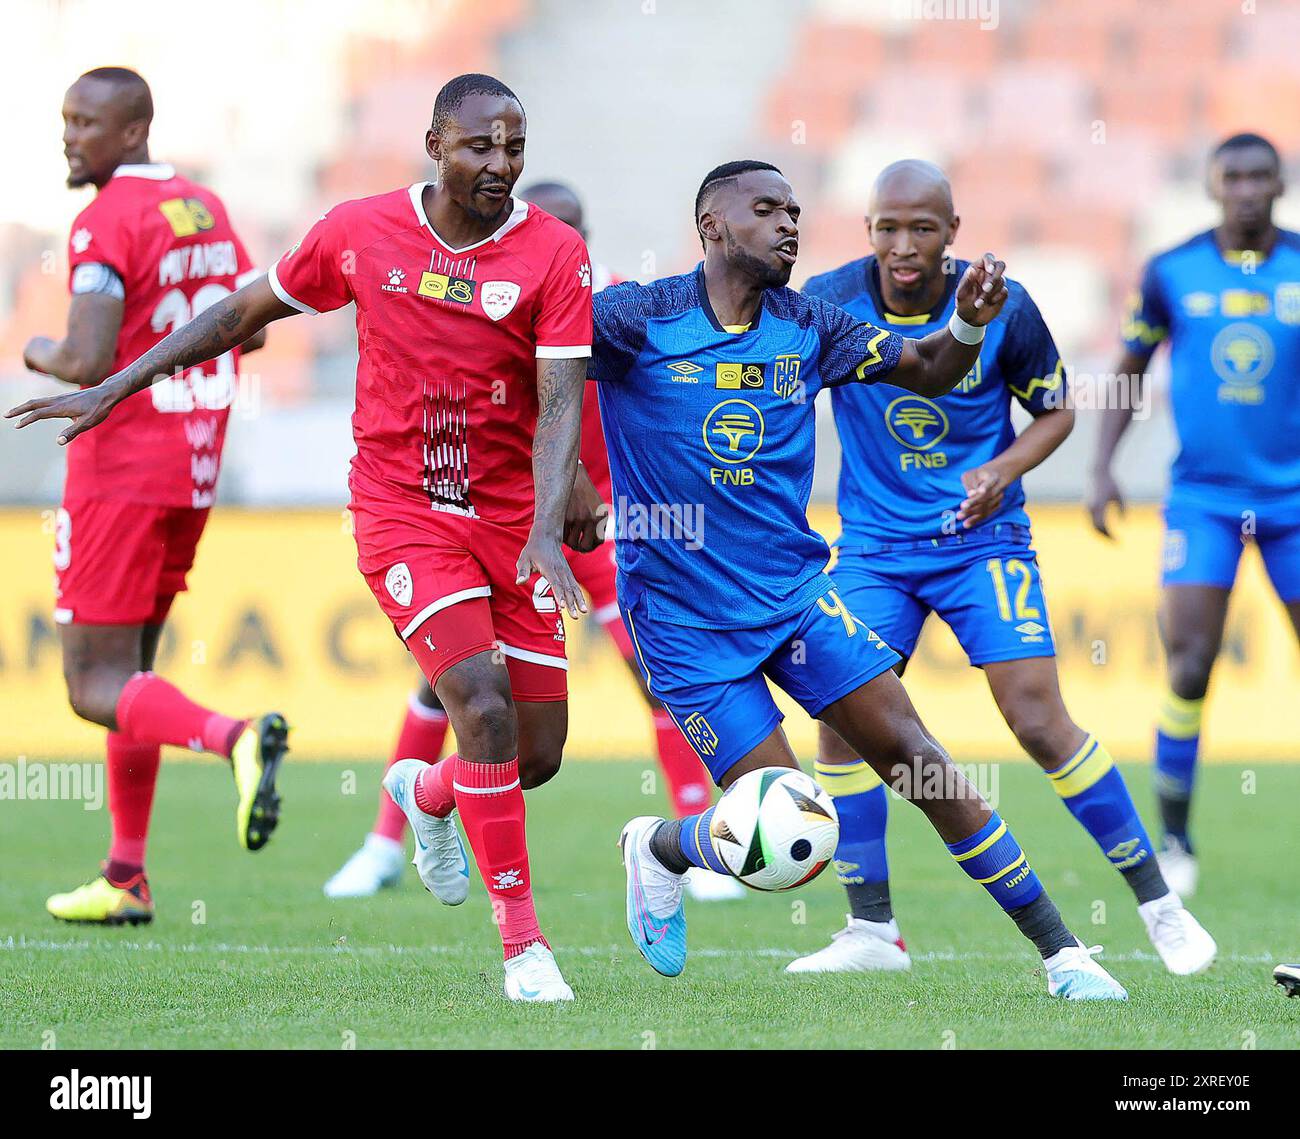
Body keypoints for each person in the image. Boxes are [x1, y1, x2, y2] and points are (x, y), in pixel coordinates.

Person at [11, 73, 592, 1003]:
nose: (499, 165)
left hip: (508, 517)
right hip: (404, 510)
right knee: (477, 702)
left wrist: (549, 519)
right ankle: (525, 948)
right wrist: (114, 384)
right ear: (437, 141)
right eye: (480, 146)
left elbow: (561, 398)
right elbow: (242, 315)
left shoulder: (555, 252)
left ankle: (429, 793)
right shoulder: (360, 231)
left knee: (534, 752)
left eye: (514, 148)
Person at [595, 160, 1128, 999]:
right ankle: (661, 846)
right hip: (684, 626)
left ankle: (1066, 956)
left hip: (798, 602)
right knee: (786, 832)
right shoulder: (632, 318)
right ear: (711, 225)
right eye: (766, 210)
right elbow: (531, 373)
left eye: (796, 211)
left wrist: (969, 327)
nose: (789, 225)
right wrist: (552, 500)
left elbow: (926, 369)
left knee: (921, 760)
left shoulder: (811, 325)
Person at [787, 160, 1214, 976]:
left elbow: (1055, 409)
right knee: (841, 722)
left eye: (922, 227)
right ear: (868, 228)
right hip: (875, 547)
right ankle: (872, 933)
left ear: (953, 232)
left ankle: (1160, 904)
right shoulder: (830, 301)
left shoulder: (1005, 307)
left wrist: (1001, 471)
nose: (903, 245)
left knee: (1039, 721)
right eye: (887, 226)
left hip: (982, 543)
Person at [323, 181, 740, 902]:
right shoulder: (491, 292)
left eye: (573, 230)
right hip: (506, 518)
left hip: (605, 522)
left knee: (653, 672)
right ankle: (382, 843)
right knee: (457, 687)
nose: (562, 241)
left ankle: (689, 831)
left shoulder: (610, 300)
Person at [17, 67, 285, 927]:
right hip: (193, 463)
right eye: (66, 121)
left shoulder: (105, 219)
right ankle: (126, 874)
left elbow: (89, 358)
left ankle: (233, 736)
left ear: (132, 132)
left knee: (91, 682)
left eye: (86, 123)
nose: (70, 138)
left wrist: (36, 349)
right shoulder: (202, 205)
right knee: (132, 675)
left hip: (120, 465)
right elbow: (252, 315)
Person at [1089, 133, 1300, 897]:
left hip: (1295, 501)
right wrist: (1101, 464)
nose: (1246, 188)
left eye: (1259, 176)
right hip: (1205, 500)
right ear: (1213, 184)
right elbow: (1130, 368)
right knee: (1188, 664)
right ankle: (1174, 838)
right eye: (1232, 176)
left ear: (1279, 182)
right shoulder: (1173, 270)